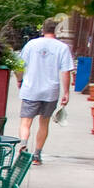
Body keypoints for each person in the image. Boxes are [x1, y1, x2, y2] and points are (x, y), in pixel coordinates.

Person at [16, 19, 75, 165]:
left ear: (42, 30)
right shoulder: (62, 47)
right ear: (56, 31)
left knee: (26, 122)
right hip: (50, 91)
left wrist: (19, 80)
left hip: (31, 88)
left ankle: (23, 144)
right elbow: (66, 71)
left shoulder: (31, 44)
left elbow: (19, 65)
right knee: (44, 123)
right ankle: (37, 155)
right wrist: (66, 92)